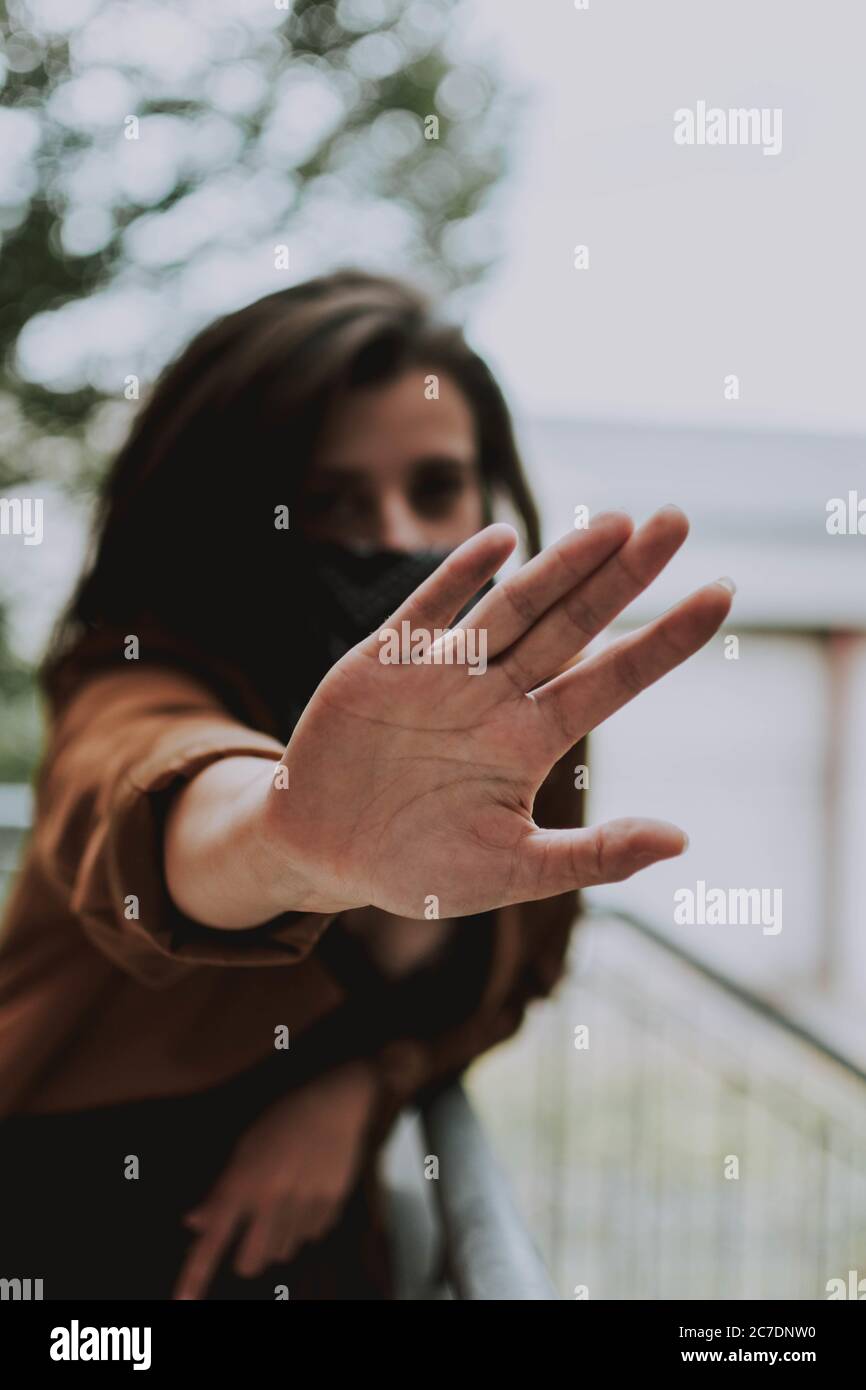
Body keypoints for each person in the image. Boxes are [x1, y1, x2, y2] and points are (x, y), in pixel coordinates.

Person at [0, 270, 733, 1300]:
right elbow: (152, 795)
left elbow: (507, 979)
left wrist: (361, 1084)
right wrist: (287, 839)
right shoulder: (134, 681)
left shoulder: (506, 728)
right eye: (329, 502)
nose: (392, 534)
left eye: (433, 488)